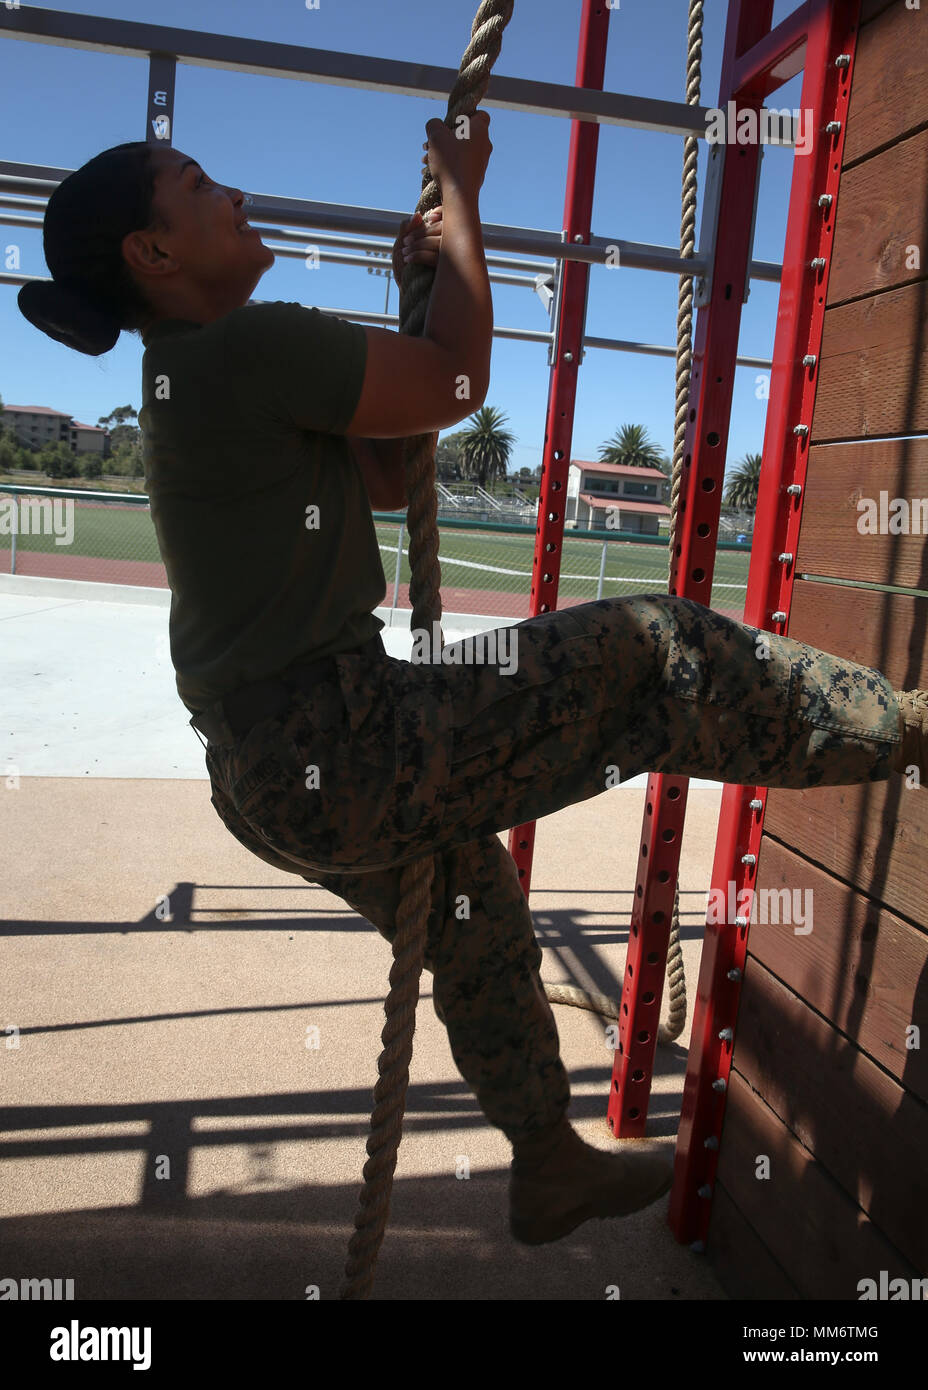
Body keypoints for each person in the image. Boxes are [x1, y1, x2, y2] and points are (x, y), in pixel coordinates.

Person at [18, 121, 928, 1252]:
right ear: (153, 255)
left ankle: (545, 1164)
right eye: (201, 188)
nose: (235, 192)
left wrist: (423, 286)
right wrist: (461, 197)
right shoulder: (236, 347)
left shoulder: (196, 371)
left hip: (274, 774)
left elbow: (394, 469)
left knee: (471, 910)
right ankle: (898, 730)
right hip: (339, 734)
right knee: (653, 644)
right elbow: (454, 382)